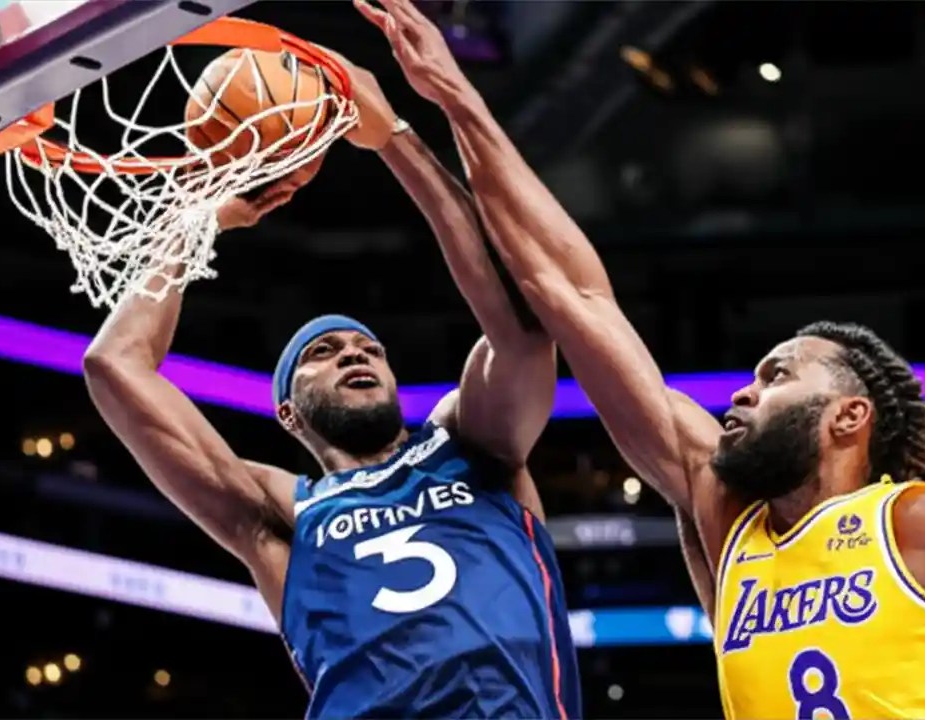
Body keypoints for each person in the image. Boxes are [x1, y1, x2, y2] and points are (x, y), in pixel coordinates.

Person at [357, 1, 925, 717]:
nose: (742, 395)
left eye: (777, 377)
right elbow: (571, 295)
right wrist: (448, 104)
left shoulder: (924, 528)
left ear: (849, 416)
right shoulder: (729, 518)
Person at [82, 57, 580, 719]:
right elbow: (115, 366)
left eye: (369, 348)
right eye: (323, 352)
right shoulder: (280, 513)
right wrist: (193, 223)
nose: (354, 354)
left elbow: (521, 329)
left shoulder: (471, 444)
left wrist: (394, 136)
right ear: (288, 412)